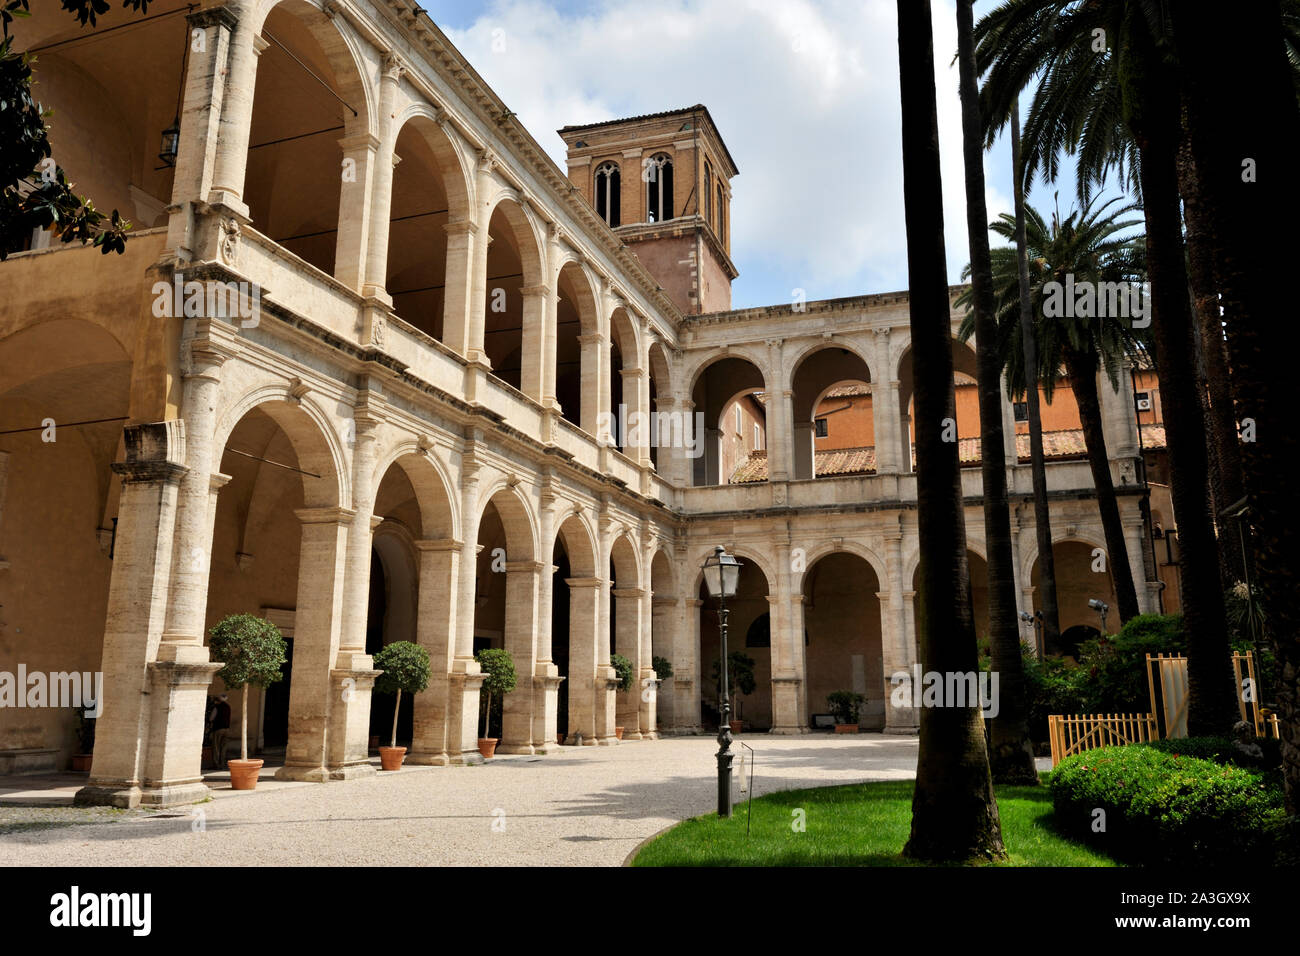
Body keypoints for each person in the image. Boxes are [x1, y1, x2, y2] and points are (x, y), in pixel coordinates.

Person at [208, 694, 232, 769]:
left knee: (216, 747)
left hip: (218, 729)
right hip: (227, 729)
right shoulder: (228, 707)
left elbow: (211, 718)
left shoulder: (217, 708)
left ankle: (216, 765)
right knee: (223, 747)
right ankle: (222, 764)